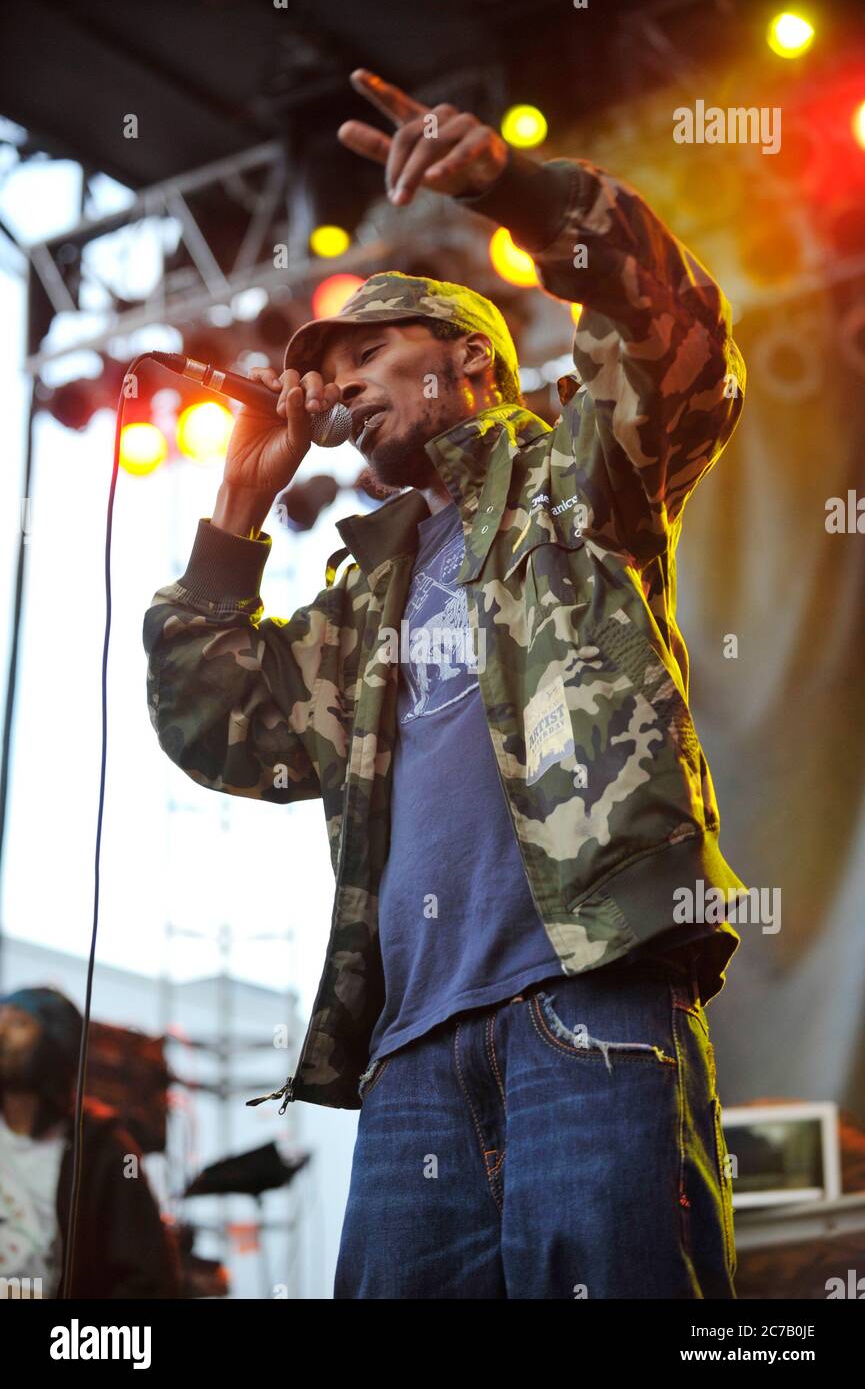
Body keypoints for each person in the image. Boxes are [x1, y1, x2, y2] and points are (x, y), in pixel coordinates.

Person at [143, 68, 745, 1298]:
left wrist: (519, 191)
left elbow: (672, 324)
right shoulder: (364, 595)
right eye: (331, 362)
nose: (344, 380)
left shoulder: (580, 477)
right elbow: (217, 723)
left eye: (371, 348)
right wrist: (237, 510)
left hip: (582, 1004)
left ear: (467, 355)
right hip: (411, 1052)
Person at [0, 986, 179, 1298]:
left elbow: (148, 1277)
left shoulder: (104, 1150)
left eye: (19, 1022)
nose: (1, 1032)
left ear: (57, 1044)